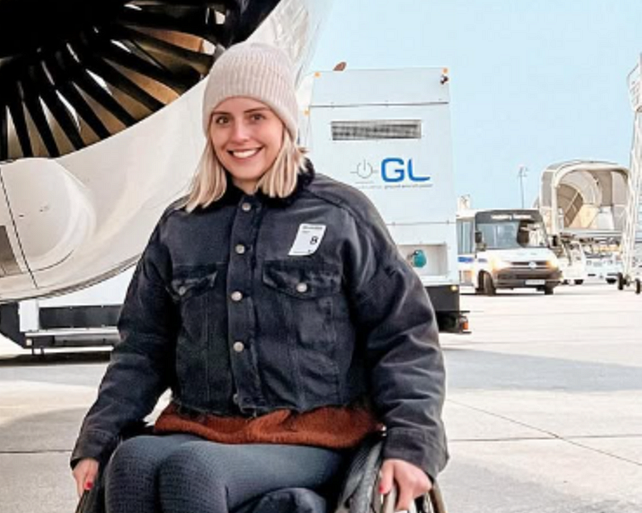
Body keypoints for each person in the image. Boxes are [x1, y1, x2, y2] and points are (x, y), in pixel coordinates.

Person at [70, 42, 447, 513]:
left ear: (284, 123)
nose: (239, 134)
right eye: (222, 119)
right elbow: (142, 347)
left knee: (193, 473)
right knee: (131, 463)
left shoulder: (340, 215)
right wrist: (98, 439)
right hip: (202, 426)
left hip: (315, 434)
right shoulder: (180, 226)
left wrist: (414, 446)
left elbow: (403, 336)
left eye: (256, 117)